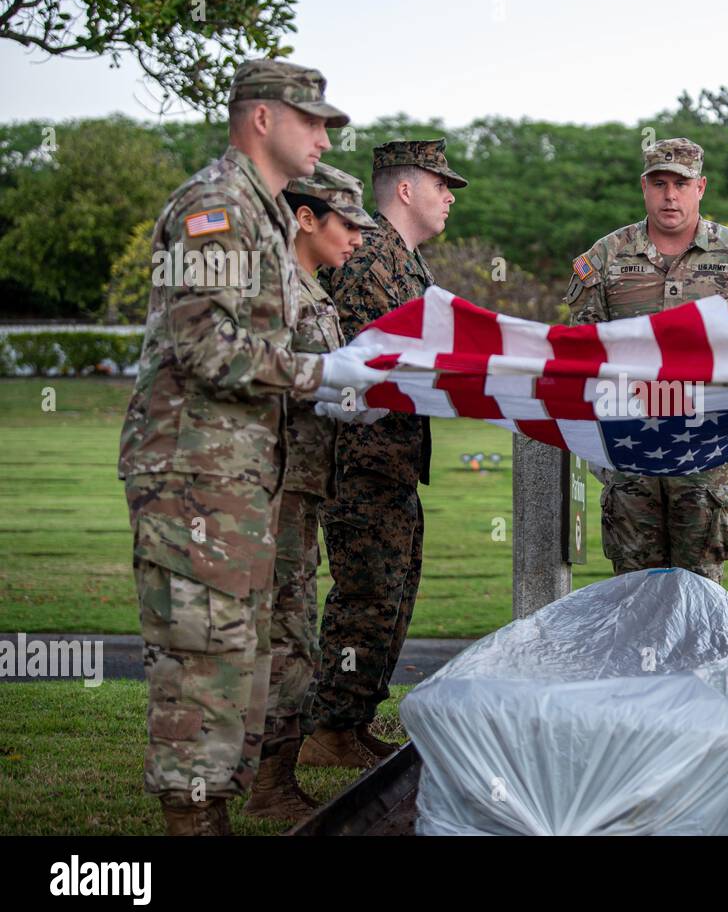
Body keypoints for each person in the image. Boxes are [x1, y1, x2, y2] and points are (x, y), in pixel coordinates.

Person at [118, 60, 387, 834]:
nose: (323, 135)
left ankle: (218, 812)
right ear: (262, 119)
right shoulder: (215, 204)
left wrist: (326, 385)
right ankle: (194, 823)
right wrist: (318, 373)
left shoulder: (262, 212)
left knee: (236, 658)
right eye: (311, 121)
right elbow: (203, 345)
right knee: (203, 663)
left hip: (236, 473)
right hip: (192, 473)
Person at [302, 140, 467, 769]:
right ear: (405, 190)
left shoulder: (403, 260)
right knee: (368, 591)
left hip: (390, 457)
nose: (449, 196)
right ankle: (328, 727)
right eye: (440, 184)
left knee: (392, 588)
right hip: (359, 456)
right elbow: (382, 352)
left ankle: (349, 720)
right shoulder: (369, 254)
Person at [566, 137, 728, 582]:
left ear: (701, 186)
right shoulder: (604, 259)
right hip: (629, 446)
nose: (670, 195)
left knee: (699, 586)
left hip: (705, 448)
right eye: (659, 183)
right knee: (632, 584)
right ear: (643, 187)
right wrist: (591, 438)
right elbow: (582, 355)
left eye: (680, 184)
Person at [242, 161, 385, 820]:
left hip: (298, 487)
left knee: (289, 634)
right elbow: (245, 378)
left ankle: (268, 775)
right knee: (280, 637)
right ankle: (264, 783)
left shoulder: (312, 292)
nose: (358, 238)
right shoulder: (271, 289)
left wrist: (350, 393)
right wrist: (331, 382)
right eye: (348, 223)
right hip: (265, 489)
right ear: (306, 217)